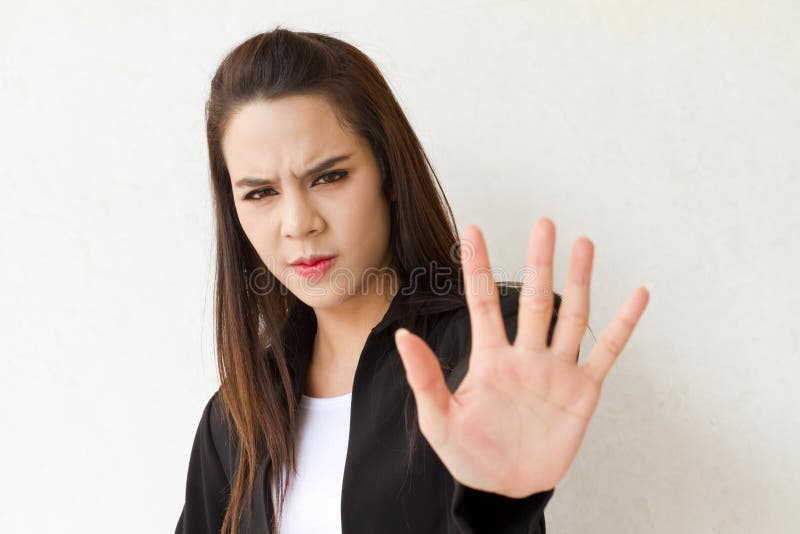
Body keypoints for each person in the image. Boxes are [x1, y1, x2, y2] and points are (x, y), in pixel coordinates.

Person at [175, 26, 650, 534]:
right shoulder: (236, 416)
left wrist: (501, 504)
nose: (298, 222)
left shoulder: (487, 351)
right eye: (260, 193)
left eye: (329, 176)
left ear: (388, 172)